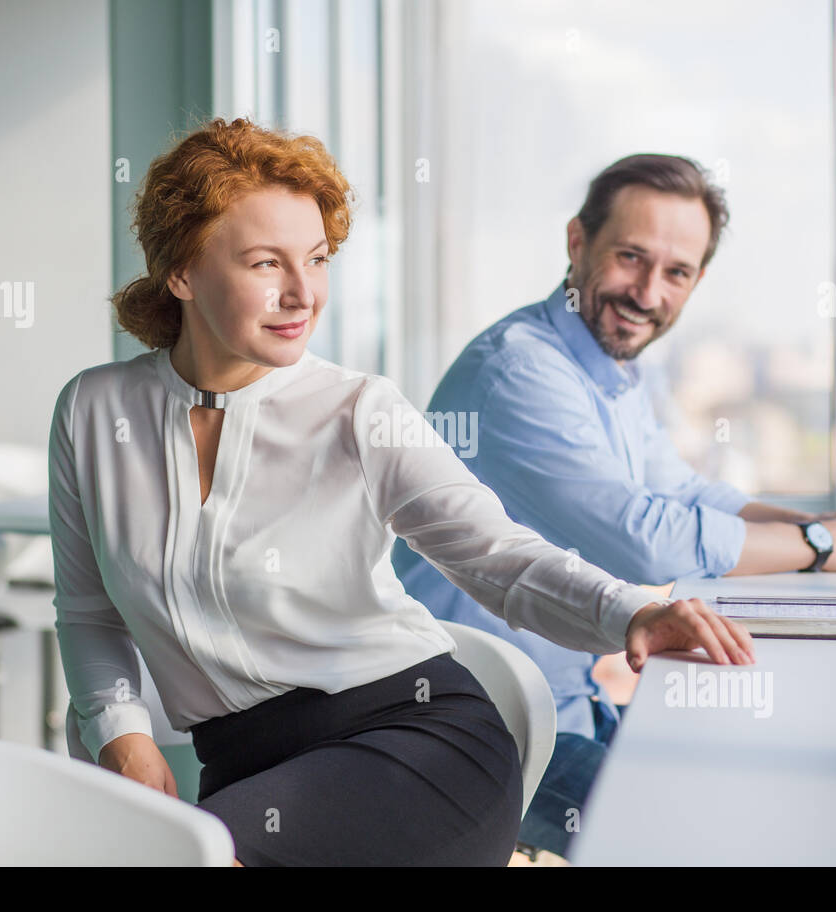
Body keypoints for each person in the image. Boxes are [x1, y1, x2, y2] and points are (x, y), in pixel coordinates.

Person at [48, 119, 755, 867]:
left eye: (316, 260)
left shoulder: (359, 410)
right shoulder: (93, 413)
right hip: (247, 768)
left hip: (418, 743)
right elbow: (89, 612)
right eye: (265, 263)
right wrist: (123, 738)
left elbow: (497, 555)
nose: (301, 293)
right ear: (182, 271)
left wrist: (632, 611)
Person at [392, 153, 836, 859]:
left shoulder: (614, 366)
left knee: (742, 788)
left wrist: (833, 532)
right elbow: (644, 543)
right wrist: (822, 545)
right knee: (690, 843)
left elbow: (685, 492)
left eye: (676, 273)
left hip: (564, 697)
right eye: (630, 258)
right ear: (578, 242)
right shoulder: (520, 372)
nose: (647, 293)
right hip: (475, 720)